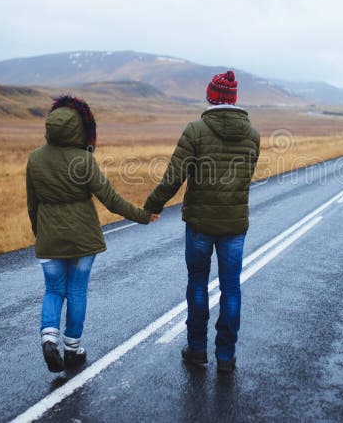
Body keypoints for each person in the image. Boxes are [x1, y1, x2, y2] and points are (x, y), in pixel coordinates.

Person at [26, 95, 157, 373]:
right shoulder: (84, 160)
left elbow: (32, 205)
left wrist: (41, 235)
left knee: (53, 290)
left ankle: (49, 338)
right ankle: (72, 349)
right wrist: (143, 216)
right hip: (83, 239)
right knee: (76, 291)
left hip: (49, 239)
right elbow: (111, 200)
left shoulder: (35, 159)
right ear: (80, 129)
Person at [144, 70, 260, 373]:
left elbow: (174, 177)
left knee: (197, 283)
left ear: (211, 97)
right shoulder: (253, 135)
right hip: (234, 224)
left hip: (199, 224)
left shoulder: (195, 130)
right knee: (231, 288)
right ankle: (226, 356)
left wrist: (152, 205)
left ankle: (197, 349)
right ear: (233, 99)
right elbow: (245, 177)